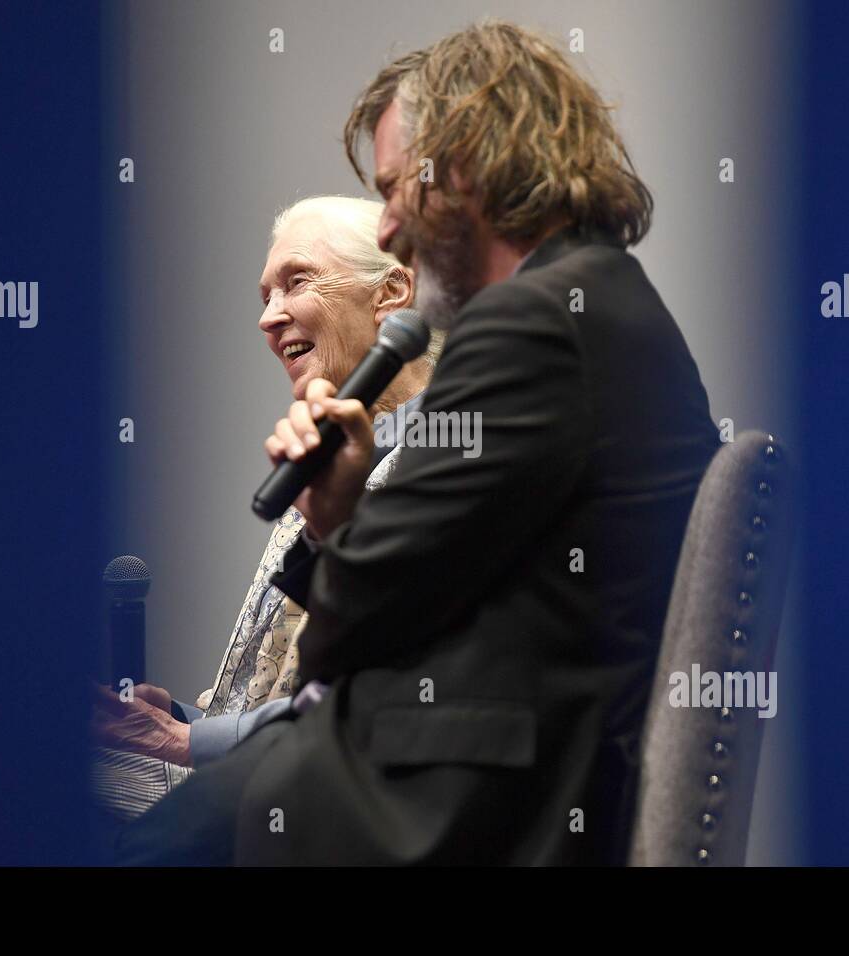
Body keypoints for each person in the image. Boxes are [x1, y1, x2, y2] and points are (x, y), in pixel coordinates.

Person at [114, 19, 721, 865]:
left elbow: (349, 629)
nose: (391, 227)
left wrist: (335, 513)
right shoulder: (601, 304)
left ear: (469, 166)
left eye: (399, 189)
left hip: (450, 809)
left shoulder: (533, 324)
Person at [90, 196, 431, 821]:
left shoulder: (441, 461)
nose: (269, 318)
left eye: (297, 282)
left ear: (391, 291)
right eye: (264, 296)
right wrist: (176, 720)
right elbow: (281, 689)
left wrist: (184, 742)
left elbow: (378, 693)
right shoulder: (340, 458)